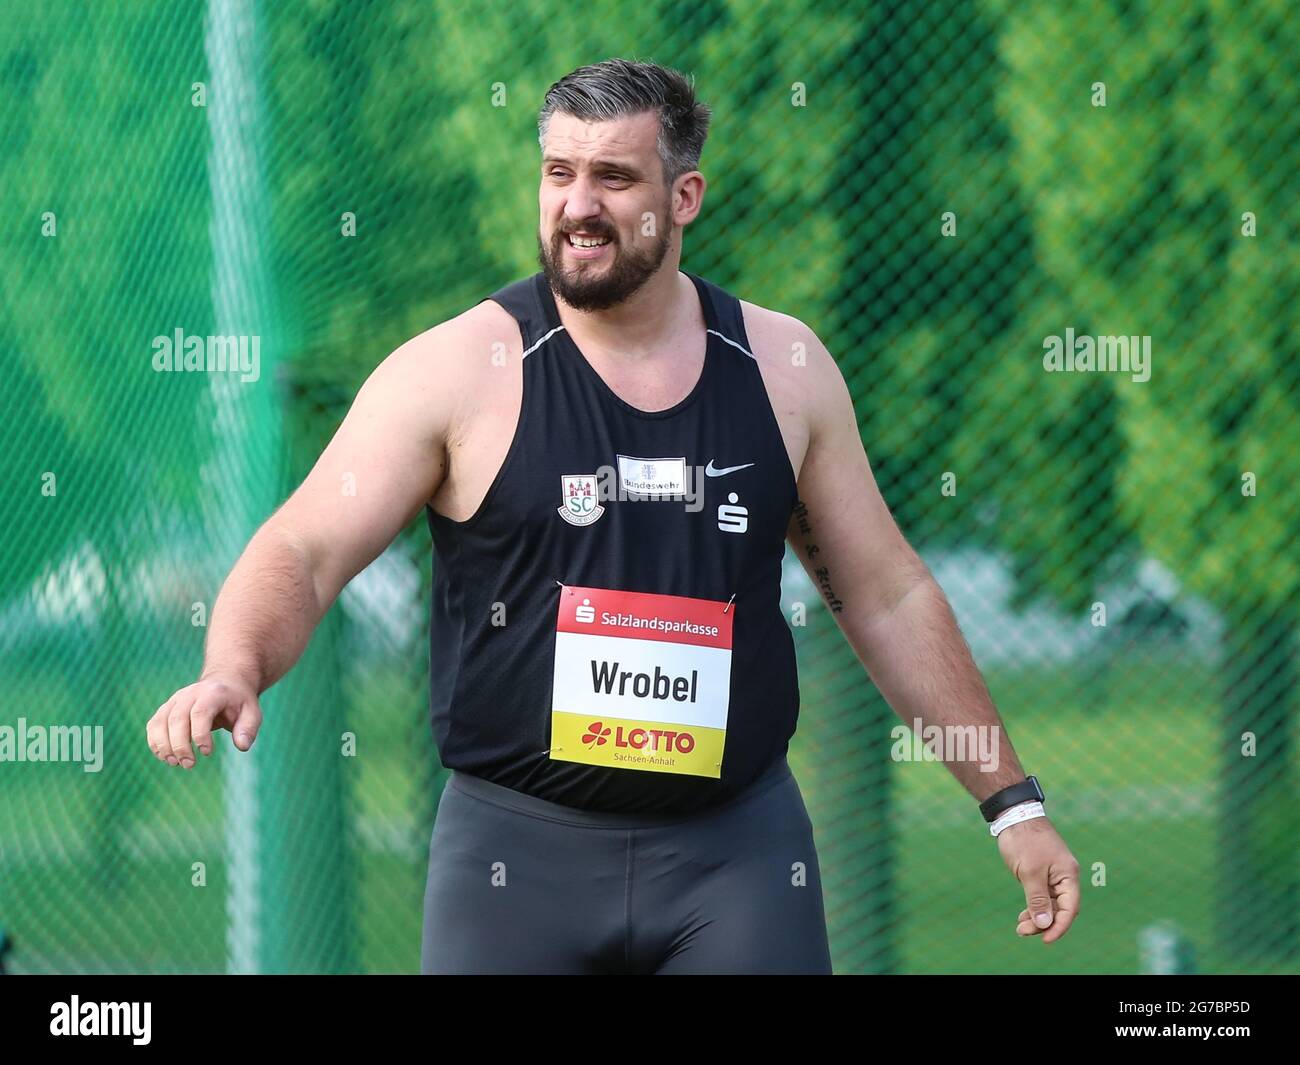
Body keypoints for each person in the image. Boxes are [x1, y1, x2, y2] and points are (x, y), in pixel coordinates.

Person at [146, 57, 1079, 974]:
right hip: (514, 859)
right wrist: (234, 664)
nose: (578, 205)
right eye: (559, 173)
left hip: (737, 856)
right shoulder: (458, 370)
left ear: (684, 198)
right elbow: (304, 548)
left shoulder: (784, 370)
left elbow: (886, 595)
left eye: (613, 177)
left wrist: (1012, 805)